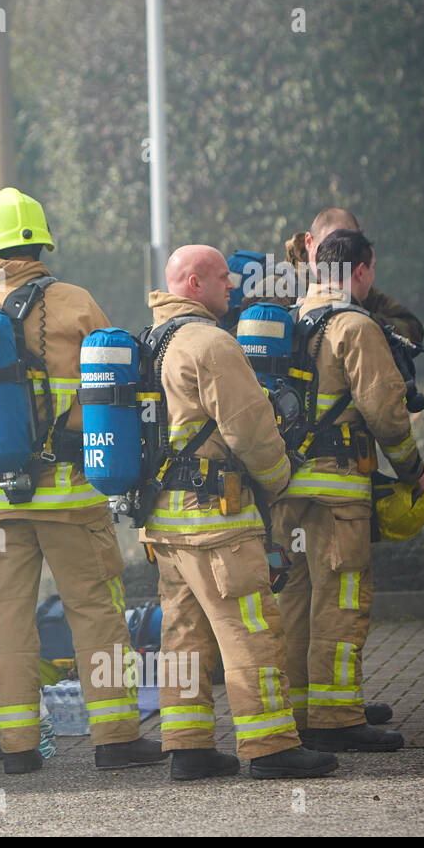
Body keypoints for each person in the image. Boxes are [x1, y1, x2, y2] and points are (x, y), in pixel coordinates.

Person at [0, 187, 164, 775]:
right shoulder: (76, 304)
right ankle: (115, 738)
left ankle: (16, 749)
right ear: (40, 242)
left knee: (8, 617)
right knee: (95, 611)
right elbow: (120, 386)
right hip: (71, 494)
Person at [140, 244, 337, 780]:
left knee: (183, 633)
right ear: (195, 283)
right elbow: (250, 428)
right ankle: (271, 747)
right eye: (223, 278)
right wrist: (277, 480)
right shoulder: (210, 342)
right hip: (217, 521)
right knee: (249, 628)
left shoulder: (150, 341)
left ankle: (187, 748)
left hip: (165, 524)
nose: (234, 286)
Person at [273, 230, 424, 752]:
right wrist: (413, 472)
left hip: (284, 489)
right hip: (338, 491)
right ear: (361, 270)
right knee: (341, 597)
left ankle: (299, 709)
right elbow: (387, 415)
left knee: (294, 596)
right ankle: (337, 717)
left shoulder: (287, 321)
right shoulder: (355, 326)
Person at [285, 208, 424, 343]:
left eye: (350, 246)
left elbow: (413, 329)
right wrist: (298, 316)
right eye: (331, 244)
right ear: (309, 242)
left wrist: (360, 319)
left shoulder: (358, 291)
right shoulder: (283, 287)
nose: (341, 254)